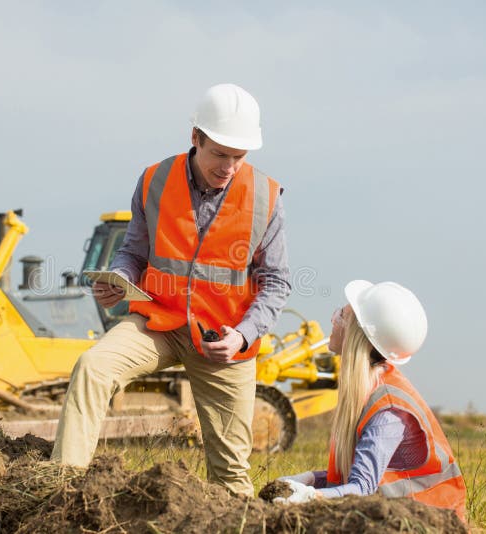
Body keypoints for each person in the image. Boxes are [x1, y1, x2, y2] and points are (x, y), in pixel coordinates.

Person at [51, 83, 291, 496]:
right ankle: (60, 490)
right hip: (157, 323)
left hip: (223, 341)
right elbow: (133, 252)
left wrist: (242, 335)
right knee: (93, 368)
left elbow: (277, 282)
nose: (229, 166)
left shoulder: (266, 197)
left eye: (239, 156)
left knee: (231, 476)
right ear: (195, 137)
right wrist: (118, 279)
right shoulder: (153, 181)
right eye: (219, 153)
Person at [275, 280, 467, 521]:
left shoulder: (387, 410)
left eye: (342, 315)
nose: (333, 319)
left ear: (358, 333)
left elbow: (362, 488)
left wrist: (312, 495)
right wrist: (311, 480)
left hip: (429, 524)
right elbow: (354, 480)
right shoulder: (369, 391)